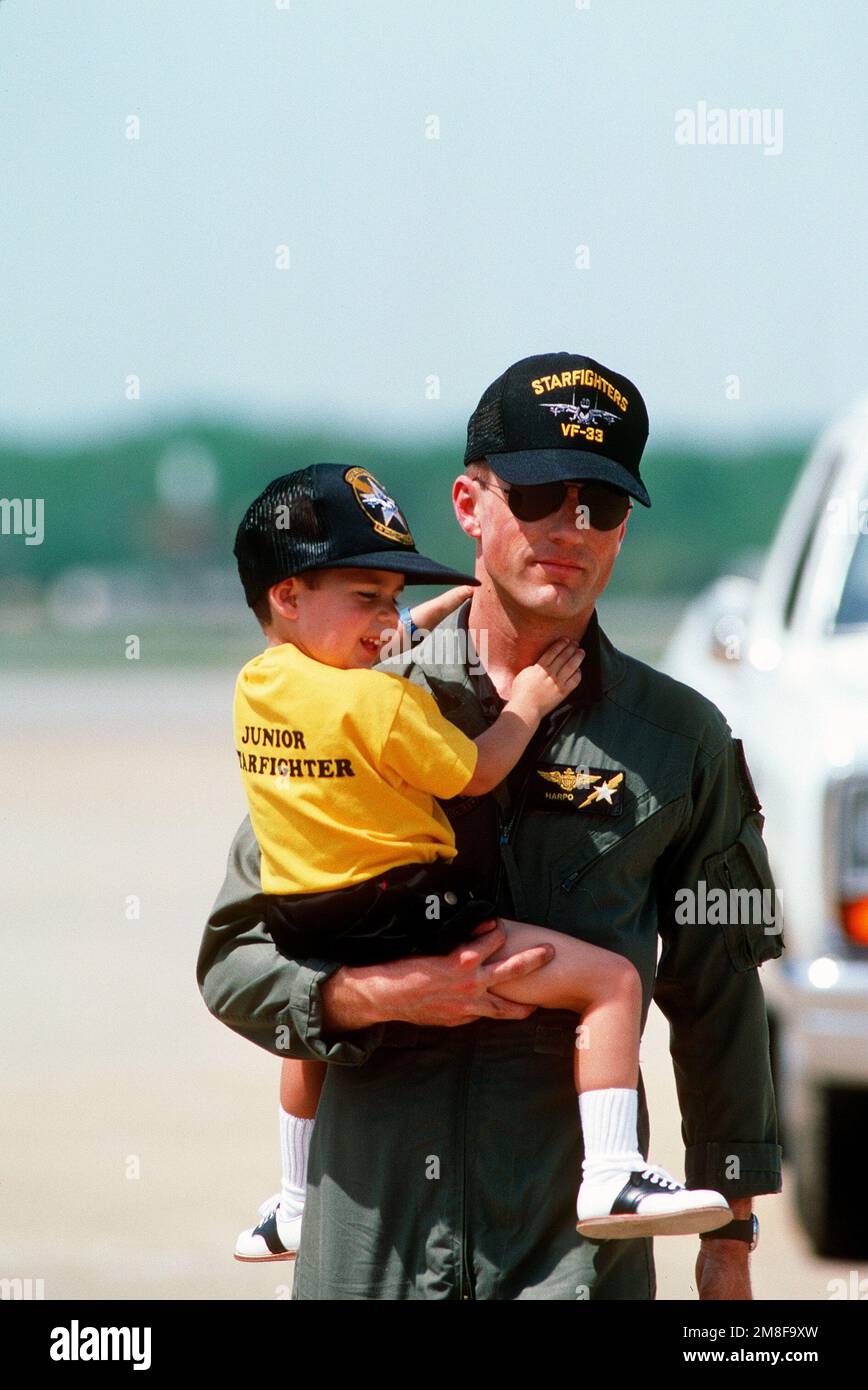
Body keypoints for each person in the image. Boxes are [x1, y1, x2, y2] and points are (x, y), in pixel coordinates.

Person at [198, 352, 783, 1300]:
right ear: (471, 506)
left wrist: (731, 1241)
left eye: (603, 504)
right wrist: (384, 994)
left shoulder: (681, 741)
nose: (572, 529)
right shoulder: (350, 700)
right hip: (370, 1252)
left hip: (570, 1265)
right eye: (543, 494)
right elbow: (235, 962)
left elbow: (722, 999)